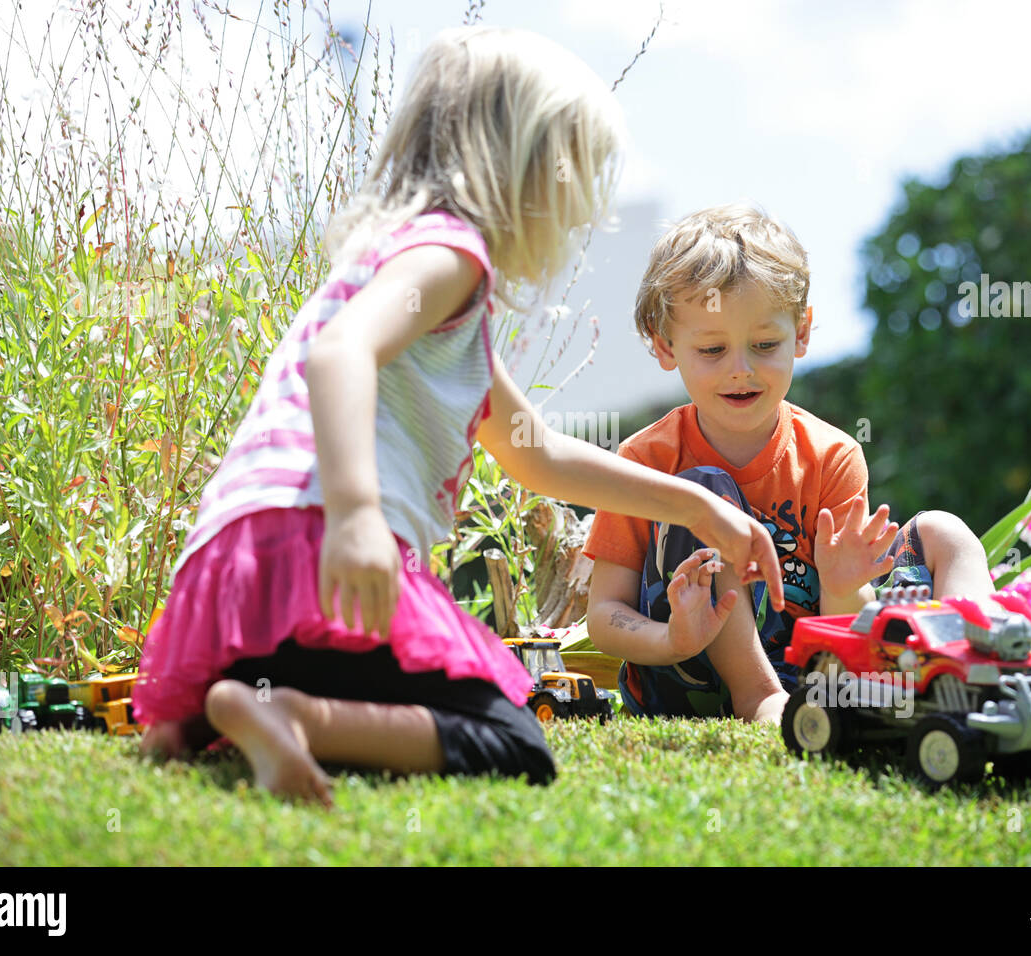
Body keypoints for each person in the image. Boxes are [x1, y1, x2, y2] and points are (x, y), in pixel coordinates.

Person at [131, 29, 789, 806]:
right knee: (516, 742)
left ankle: (218, 715)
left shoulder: (404, 271)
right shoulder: (448, 256)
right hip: (321, 537)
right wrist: (355, 515)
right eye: (572, 170)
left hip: (242, 553)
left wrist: (696, 503)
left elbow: (536, 454)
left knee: (345, 679)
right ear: (523, 169)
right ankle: (293, 714)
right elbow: (339, 355)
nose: (579, 205)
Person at [583, 204, 1031, 753]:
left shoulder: (833, 455)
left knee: (945, 532)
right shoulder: (645, 459)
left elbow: (846, 629)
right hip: (688, 679)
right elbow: (605, 614)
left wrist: (840, 585)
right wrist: (672, 637)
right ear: (666, 345)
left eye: (765, 345)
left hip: (815, 681)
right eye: (712, 349)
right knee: (701, 494)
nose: (740, 367)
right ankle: (758, 696)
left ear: (802, 332)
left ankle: (985, 677)